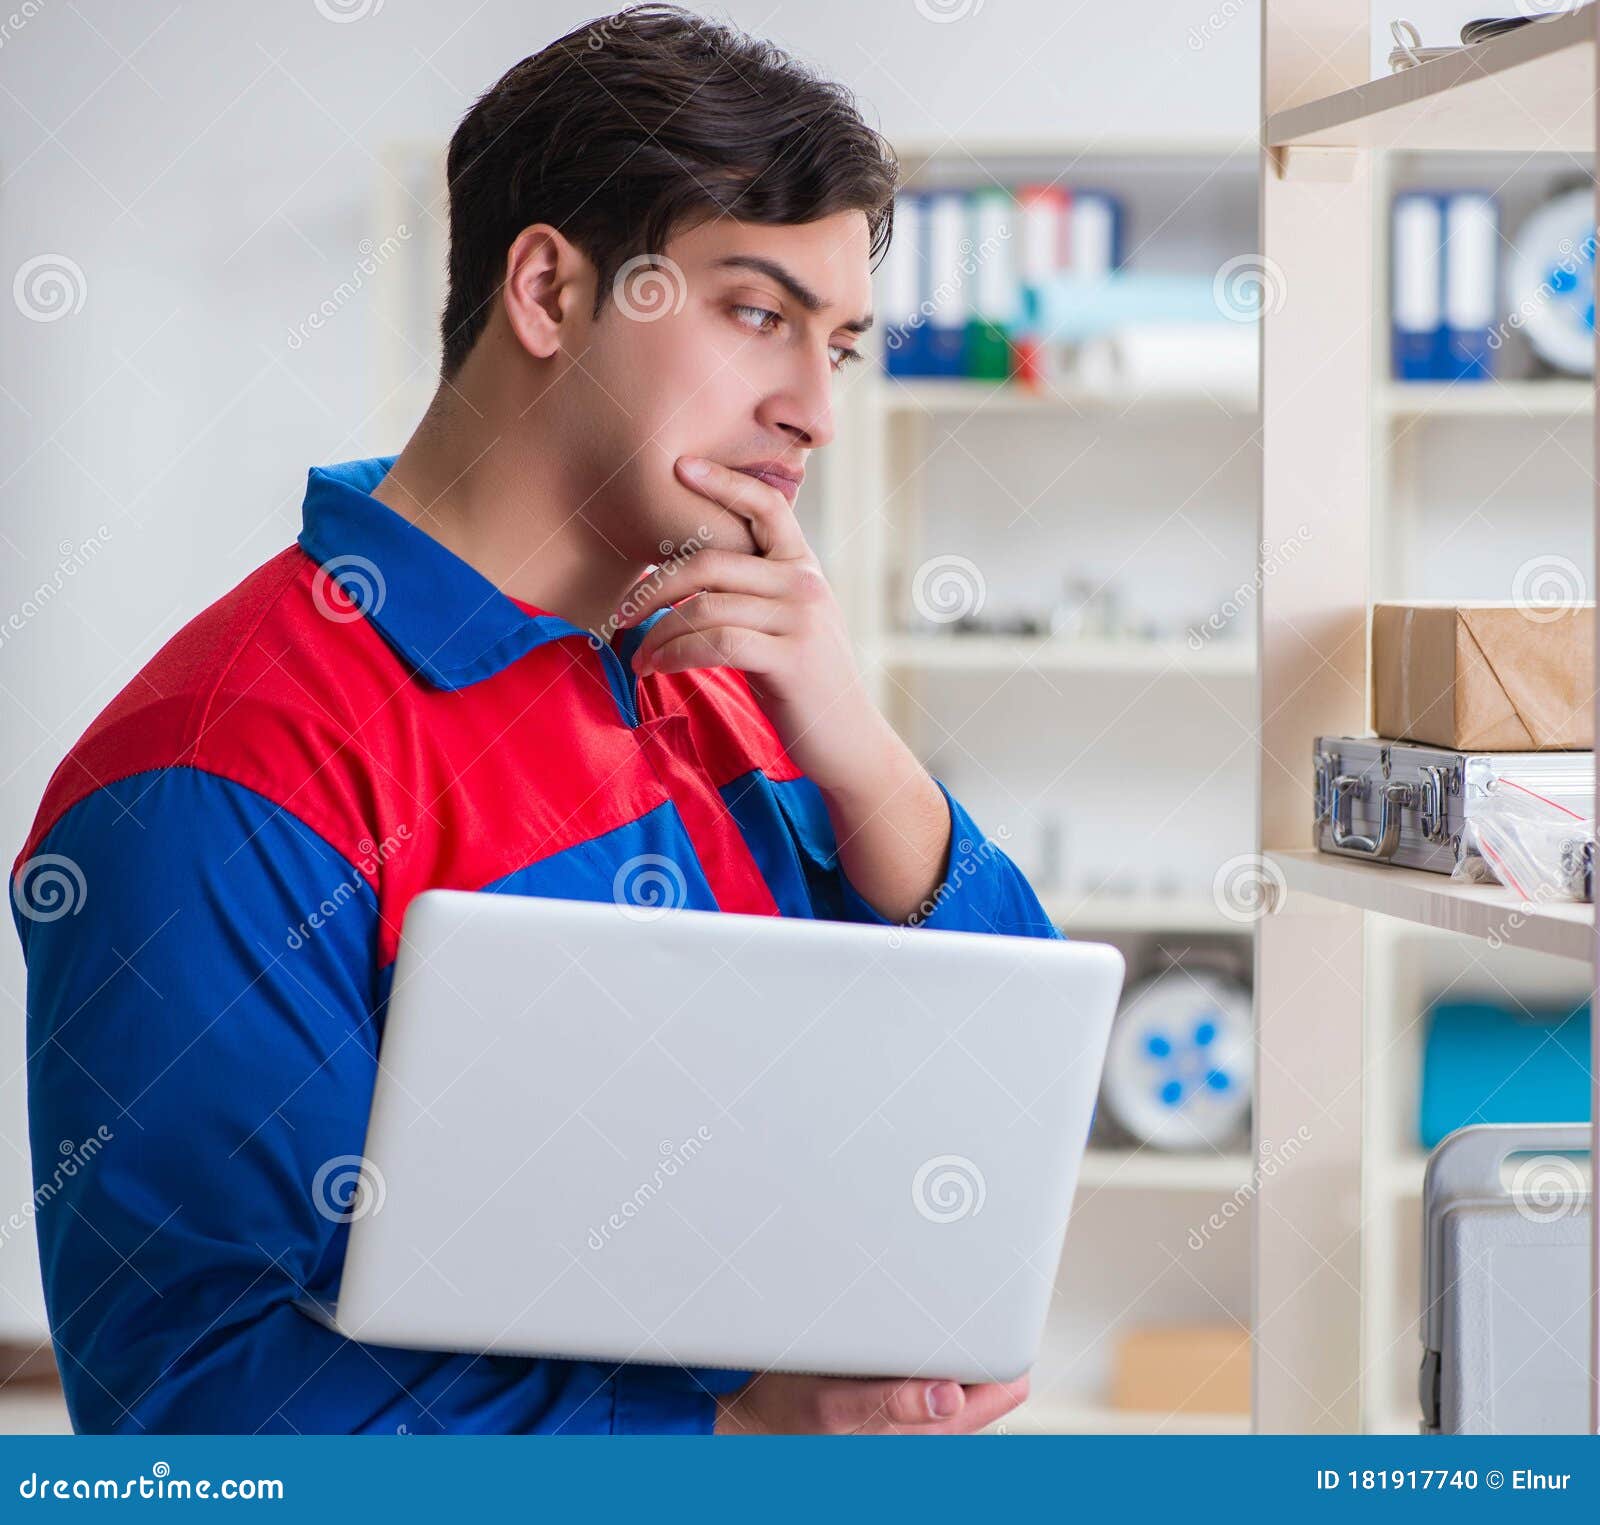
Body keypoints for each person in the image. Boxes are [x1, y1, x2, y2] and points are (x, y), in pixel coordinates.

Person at [12, 4, 1058, 1436]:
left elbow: (995, 1115)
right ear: (553, 293)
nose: (815, 405)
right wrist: (738, 1437)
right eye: (757, 313)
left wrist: (863, 752)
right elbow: (201, 1412)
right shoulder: (220, 771)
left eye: (844, 346)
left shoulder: (721, 662)